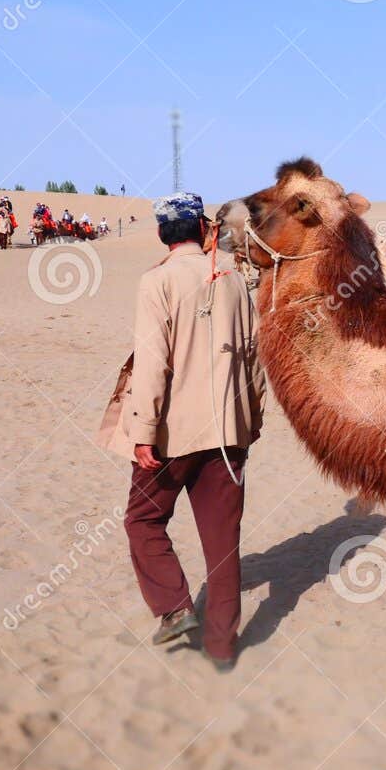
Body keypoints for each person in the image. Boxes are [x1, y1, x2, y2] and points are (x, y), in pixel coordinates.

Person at [102, 192, 263, 672]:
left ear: (160, 233)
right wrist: (251, 421)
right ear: (202, 230)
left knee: (142, 521)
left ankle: (174, 610)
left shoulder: (157, 282)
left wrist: (143, 430)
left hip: (172, 435)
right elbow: (254, 358)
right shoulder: (235, 281)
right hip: (227, 432)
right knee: (222, 541)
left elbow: (153, 363)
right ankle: (221, 646)